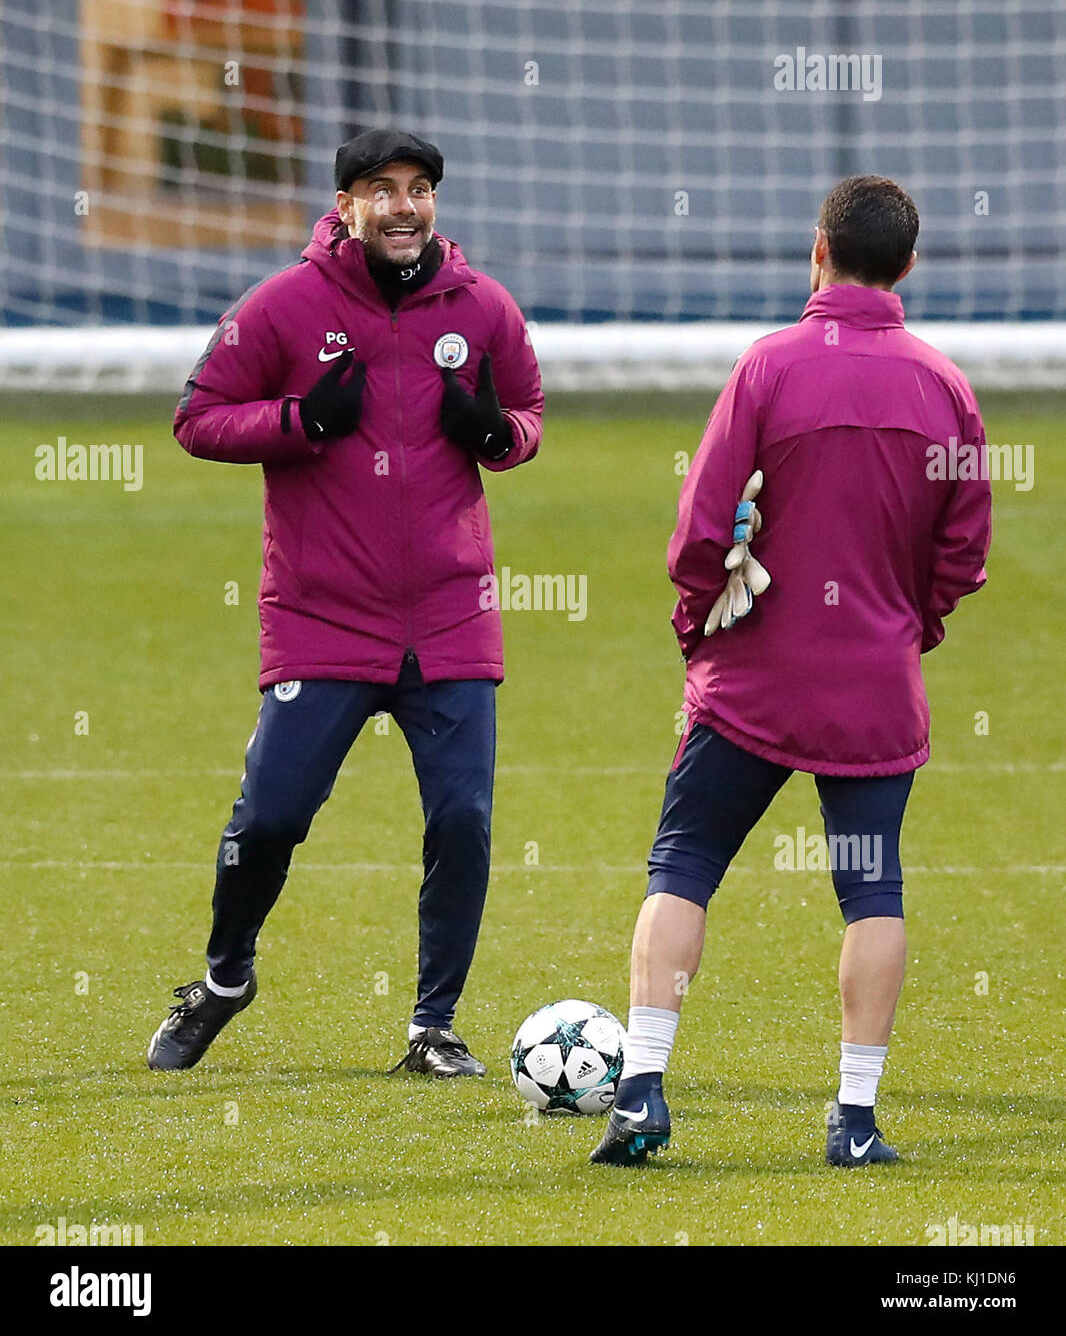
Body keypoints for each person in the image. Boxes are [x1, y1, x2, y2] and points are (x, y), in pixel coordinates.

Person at [592, 174, 992, 1166]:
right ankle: (853, 1120)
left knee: (682, 869)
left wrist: (702, 627)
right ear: (907, 264)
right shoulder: (944, 389)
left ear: (817, 251)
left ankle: (640, 1093)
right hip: (873, 692)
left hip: (750, 684)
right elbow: (963, 555)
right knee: (872, 891)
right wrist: (905, 628)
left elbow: (698, 531)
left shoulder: (767, 369)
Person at [149, 129, 543, 1078]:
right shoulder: (285, 306)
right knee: (272, 817)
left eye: (420, 190)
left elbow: (527, 418)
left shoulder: (484, 307)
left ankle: (433, 1027)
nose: (404, 207)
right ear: (347, 205)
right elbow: (195, 419)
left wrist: (494, 432)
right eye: (382, 190)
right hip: (323, 616)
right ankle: (226, 978)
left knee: (463, 821)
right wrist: (301, 422)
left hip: (450, 614)